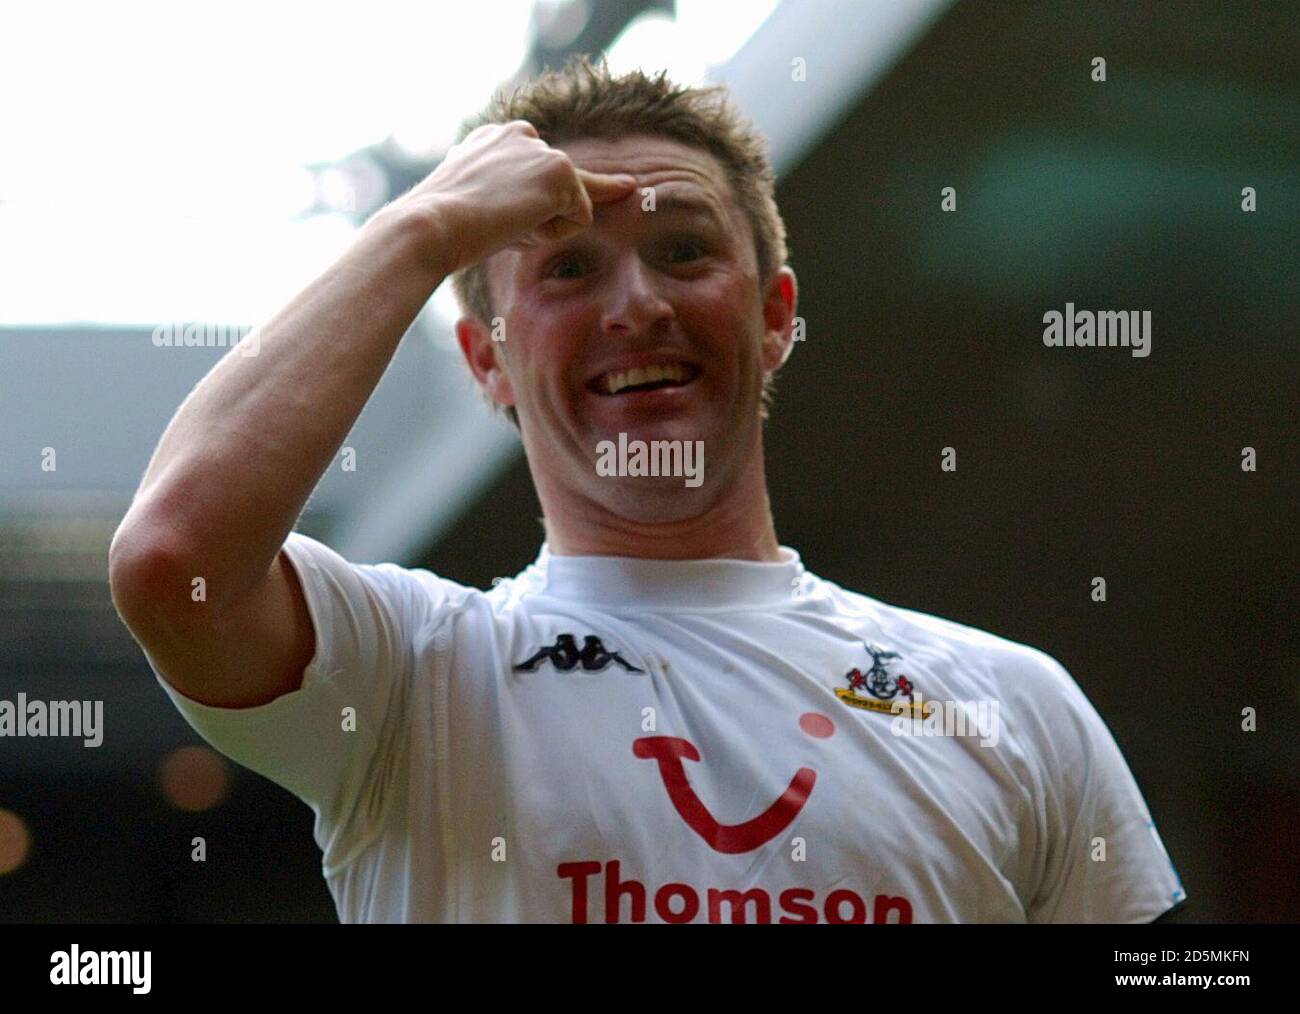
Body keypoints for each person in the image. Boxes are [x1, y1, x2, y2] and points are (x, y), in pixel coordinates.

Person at [108, 56, 1186, 924]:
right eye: (568, 268)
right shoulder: (411, 677)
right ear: (485, 361)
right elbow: (174, 565)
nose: (636, 306)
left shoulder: (1012, 704)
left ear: (773, 318)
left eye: (682, 251)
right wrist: (424, 227)